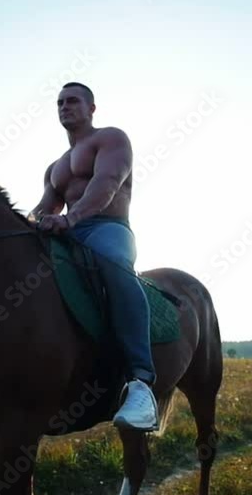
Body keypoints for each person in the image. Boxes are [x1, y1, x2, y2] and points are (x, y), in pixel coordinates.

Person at [29, 82, 158, 431]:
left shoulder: (111, 138)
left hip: (107, 228)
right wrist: (21, 224)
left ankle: (141, 383)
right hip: (68, 232)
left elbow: (107, 184)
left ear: (91, 108)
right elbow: (44, 207)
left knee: (115, 267)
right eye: (59, 103)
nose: (64, 107)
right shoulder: (54, 166)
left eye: (73, 101)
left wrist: (71, 218)